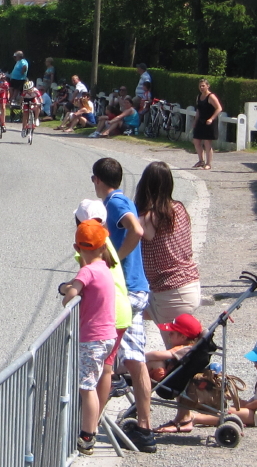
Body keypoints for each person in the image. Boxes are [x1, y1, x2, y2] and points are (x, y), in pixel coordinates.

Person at [91, 157, 155, 453]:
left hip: (127, 289)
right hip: (135, 287)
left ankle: (138, 426)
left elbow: (137, 230)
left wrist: (114, 256)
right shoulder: (123, 198)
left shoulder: (114, 203)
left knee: (128, 358)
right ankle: (140, 423)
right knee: (129, 357)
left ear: (98, 180)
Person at [68, 199, 132, 418]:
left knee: (102, 373)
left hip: (107, 316)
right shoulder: (105, 243)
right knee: (106, 369)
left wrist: (68, 289)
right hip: (118, 309)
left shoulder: (88, 252)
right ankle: (92, 423)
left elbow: (84, 279)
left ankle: (90, 426)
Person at [59, 219, 117, 456]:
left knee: (86, 386)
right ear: (104, 246)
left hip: (92, 339)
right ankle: (87, 430)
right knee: (91, 381)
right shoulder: (104, 268)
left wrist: (66, 289)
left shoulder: (87, 270)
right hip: (108, 335)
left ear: (77, 248)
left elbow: (69, 297)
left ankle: (87, 435)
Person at [156, 336, 257, 432]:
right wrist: (245, 403)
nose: (255, 365)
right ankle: (194, 418)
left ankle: (193, 418)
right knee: (231, 409)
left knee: (229, 412)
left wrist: (247, 405)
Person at [134, 161, 201, 346]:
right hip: (187, 284)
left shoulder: (150, 217)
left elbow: (133, 229)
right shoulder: (178, 208)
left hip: (170, 292)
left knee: (176, 357)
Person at [145, 313, 202, 382]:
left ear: (183, 337)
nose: (169, 334)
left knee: (157, 362)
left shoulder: (183, 349)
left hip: (167, 381)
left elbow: (157, 355)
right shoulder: (191, 346)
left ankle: (134, 374)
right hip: (173, 376)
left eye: (172, 333)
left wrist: (141, 356)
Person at [192, 78, 223, 170]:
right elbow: (198, 110)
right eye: (200, 86)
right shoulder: (199, 96)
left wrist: (211, 118)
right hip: (201, 121)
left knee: (207, 143)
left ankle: (208, 163)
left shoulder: (211, 96)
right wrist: (195, 121)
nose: (201, 88)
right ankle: (201, 160)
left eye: (203, 86)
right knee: (196, 141)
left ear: (208, 86)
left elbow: (219, 108)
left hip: (209, 122)